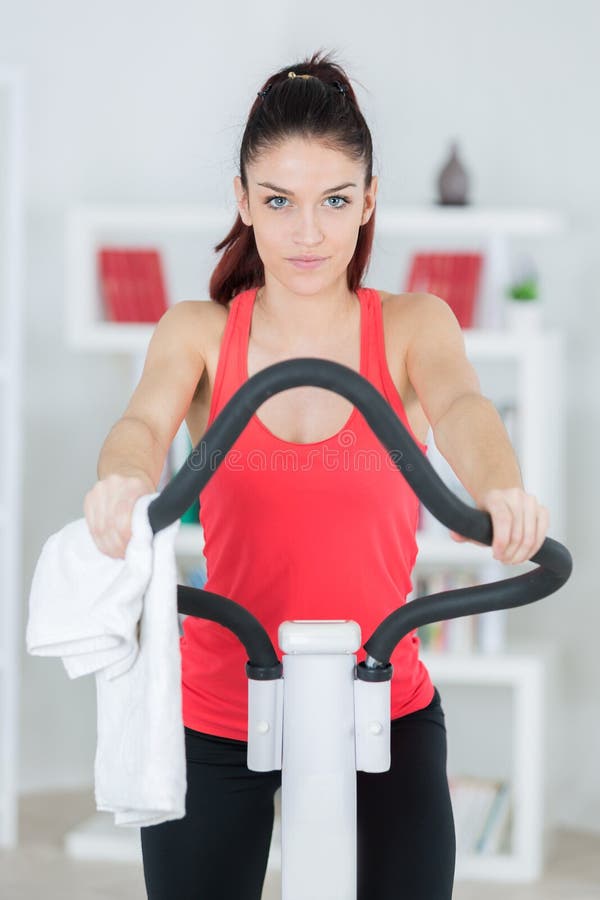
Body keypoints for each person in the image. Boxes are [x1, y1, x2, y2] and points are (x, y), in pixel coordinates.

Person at [84, 50, 550, 900]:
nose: (308, 233)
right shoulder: (197, 333)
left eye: (335, 201)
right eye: (279, 201)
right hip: (224, 704)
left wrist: (502, 487)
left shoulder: (413, 325)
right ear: (243, 201)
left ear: (369, 199)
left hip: (382, 699)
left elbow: (465, 410)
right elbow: (142, 424)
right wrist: (121, 481)